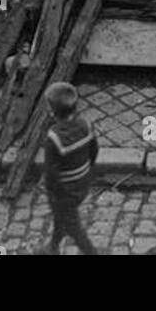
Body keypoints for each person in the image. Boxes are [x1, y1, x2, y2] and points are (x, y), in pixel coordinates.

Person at [39, 82, 99, 255]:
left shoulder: (54, 137)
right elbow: (94, 150)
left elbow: (51, 172)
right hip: (83, 182)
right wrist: (88, 170)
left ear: (51, 111)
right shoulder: (86, 125)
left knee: (73, 226)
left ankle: (91, 252)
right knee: (62, 216)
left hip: (64, 190)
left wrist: (51, 191)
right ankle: (53, 246)